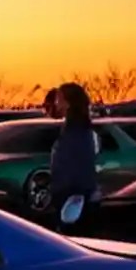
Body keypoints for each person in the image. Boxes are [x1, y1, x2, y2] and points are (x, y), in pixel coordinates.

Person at [49, 82, 100, 234]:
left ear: (68, 102)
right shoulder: (75, 128)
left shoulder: (76, 130)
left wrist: (65, 190)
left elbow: (76, 163)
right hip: (71, 192)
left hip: (73, 194)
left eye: (59, 99)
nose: (56, 103)